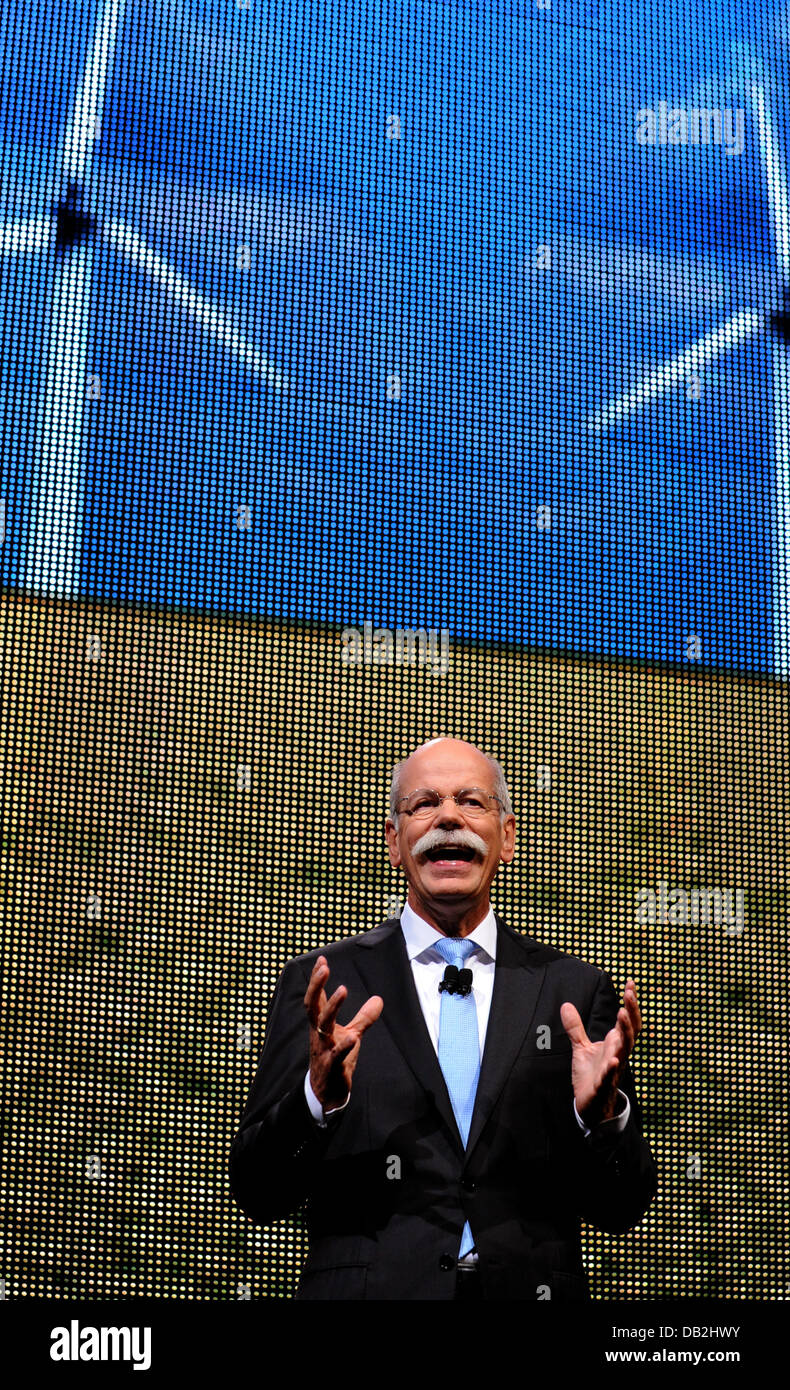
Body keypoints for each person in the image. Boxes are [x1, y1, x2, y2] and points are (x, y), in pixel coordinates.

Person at [228, 737, 658, 1300]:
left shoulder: (573, 992)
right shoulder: (326, 985)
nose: (449, 816)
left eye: (472, 802)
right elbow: (260, 1192)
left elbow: (621, 1207)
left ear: (506, 838)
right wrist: (316, 1100)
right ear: (395, 842)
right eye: (424, 803)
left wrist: (601, 1119)